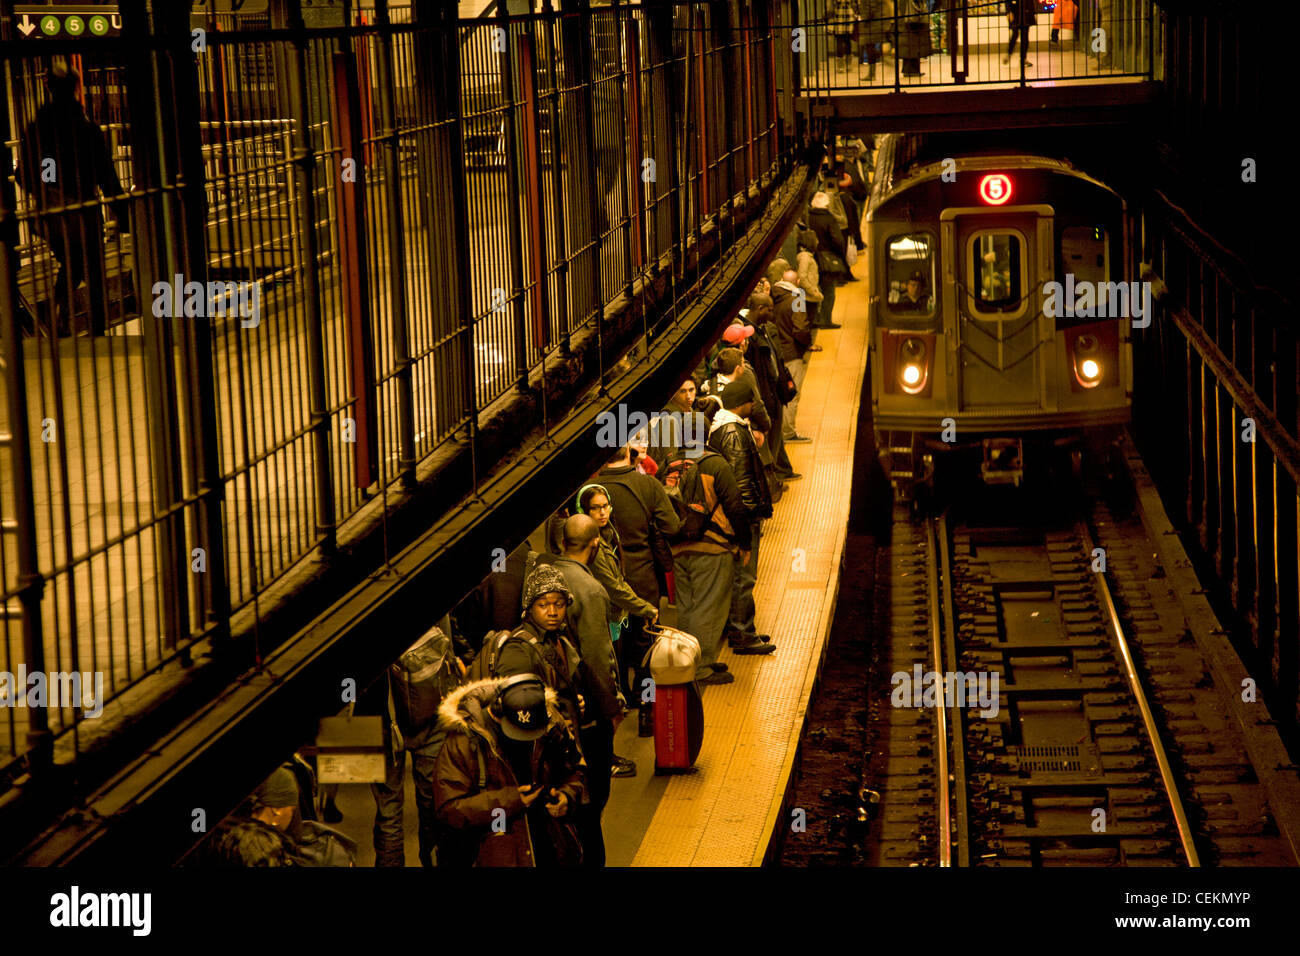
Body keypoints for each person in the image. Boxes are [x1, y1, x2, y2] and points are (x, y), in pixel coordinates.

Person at [15, 62, 128, 338]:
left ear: (47, 86)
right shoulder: (87, 129)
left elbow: (23, 175)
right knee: (94, 269)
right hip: (82, 210)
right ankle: (95, 330)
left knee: (72, 262)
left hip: (49, 214)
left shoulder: (36, 128)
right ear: (76, 88)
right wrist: (123, 213)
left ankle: (60, 313)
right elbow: (106, 176)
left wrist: (48, 183)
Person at [434, 674, 586, 867]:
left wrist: (568, 795)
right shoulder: (463, 741)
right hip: (498, 854)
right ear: (497, 711)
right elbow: (449, 810)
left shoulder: (548, 721)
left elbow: (576, 767)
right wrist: (510, 801)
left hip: (553, 850)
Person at [551, 514, 626, 866]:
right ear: (596, 543)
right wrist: (611, 707)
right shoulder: (591, 589)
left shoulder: (544, 576)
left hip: (555, 709)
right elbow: (597, 655)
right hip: (589, 714)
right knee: (592, 799)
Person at [597, 445, 679, 736]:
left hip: (603, 581)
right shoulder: (646, 484)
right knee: (645, 648)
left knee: (612, 642)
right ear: (628, 453)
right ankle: (647, 711)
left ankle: (619, 704)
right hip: (642, 578)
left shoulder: (588, 490)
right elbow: (672, 525)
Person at [574, 482, 657, 770]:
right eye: (594, 508)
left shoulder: (607, 534)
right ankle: (603, 758)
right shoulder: (592, 544)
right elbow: (613, 586)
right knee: (605, 682)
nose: (602, 512)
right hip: (605, 617)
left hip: (615, 616)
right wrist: (644, 606)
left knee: (617, 672)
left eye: (604, 506)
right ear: (584, 512)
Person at [669, 413, 753, 684]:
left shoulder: (669, 464)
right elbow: (735, 506)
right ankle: (700, 666)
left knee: (687, 607)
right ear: (706, 434)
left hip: (679, 547)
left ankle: (688, 660)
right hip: (713, 547)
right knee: (708, 608)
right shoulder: (715, 463)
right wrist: (744, 542)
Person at [707, 380, 776, 655]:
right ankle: (742, 632)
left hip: (736, 518)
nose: (754, 405)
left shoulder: (728, 428)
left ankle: (741, 626)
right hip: (743, 519)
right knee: (744, 577)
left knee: (739, 576)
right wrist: (749, 521)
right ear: (742, 403)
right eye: (752, 401)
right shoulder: (734, 433)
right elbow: (742, 482)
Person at [249, 767, 357, 866]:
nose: (294, 815)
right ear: (276, 811)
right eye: (292, 810)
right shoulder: (271, 852)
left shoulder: (239, 838)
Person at [772, 269, 813, 444]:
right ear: (796, 283)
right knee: (791, 394)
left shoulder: (772, 296)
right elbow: (801, 329)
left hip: (776, 352)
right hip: (792, 353)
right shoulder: (797, 298)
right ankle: (788, 433)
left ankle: (779, 431)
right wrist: (806, 345)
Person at [1003, 0, 1035, 69]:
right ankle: (1009, 53)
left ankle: (1023, 58)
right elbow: (1007, 1)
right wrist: (1009, 11)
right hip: (1015, 13)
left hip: (1025, 13)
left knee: (1025, 36)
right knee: (1015, 34)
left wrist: (1032, 12)